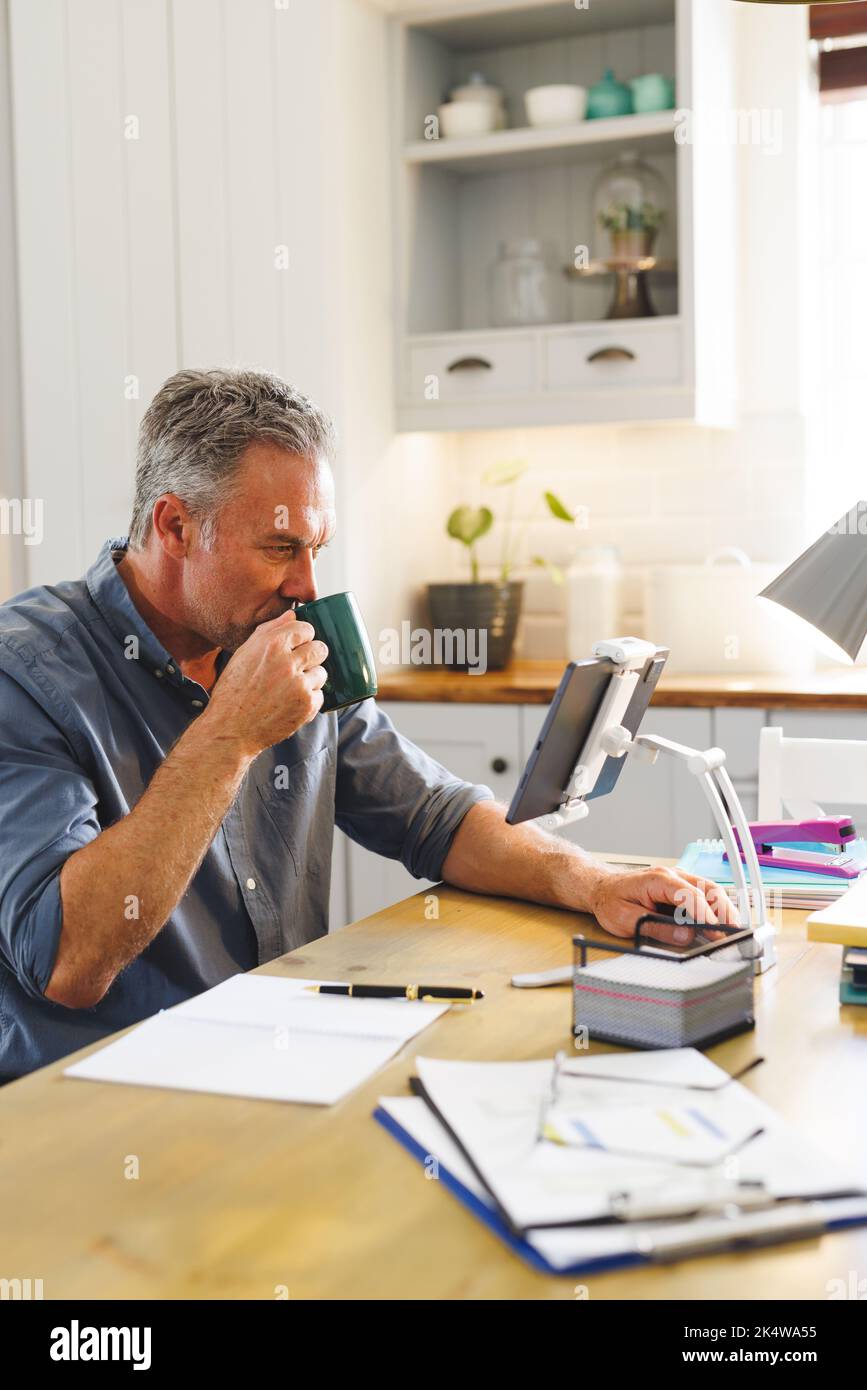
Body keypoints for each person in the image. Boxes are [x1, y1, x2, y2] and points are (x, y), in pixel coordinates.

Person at [0, 368, 736, 1079]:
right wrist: (230, 735)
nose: (306, 586)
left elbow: (435, 817)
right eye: (280, 548)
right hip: (94, 1101)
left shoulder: (279, 636)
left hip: (278, 1058)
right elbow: (66, 960)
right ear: (175, 525)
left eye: (314, 549)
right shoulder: (26, 673)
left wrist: (591, 883)